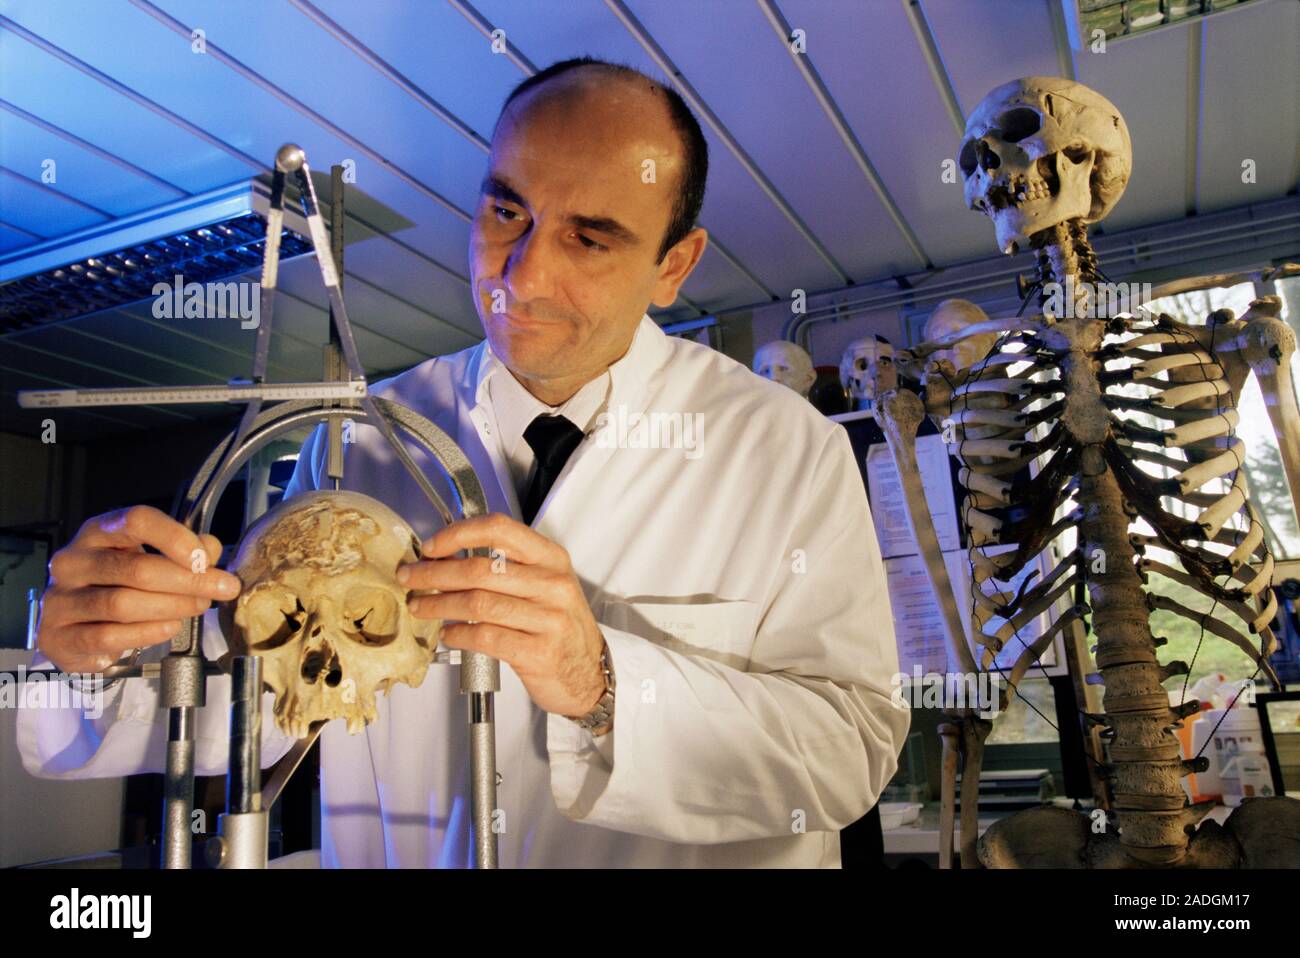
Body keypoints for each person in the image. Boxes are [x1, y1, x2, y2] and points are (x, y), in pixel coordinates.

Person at [19, 57, 908, 867]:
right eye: (506, 211)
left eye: (590, 239)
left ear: (674, 265)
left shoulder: (788, 449)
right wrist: (109, 646)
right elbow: (263, 696)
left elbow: (850, 749)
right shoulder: (360, 435)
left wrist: (600, 682)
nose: (519, 276)